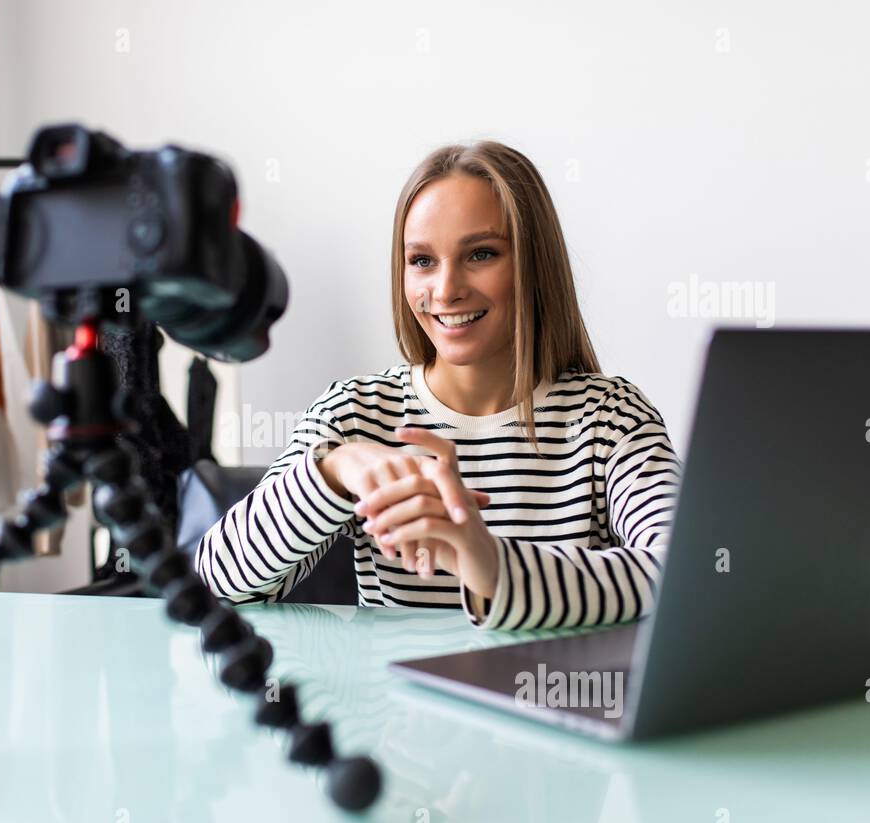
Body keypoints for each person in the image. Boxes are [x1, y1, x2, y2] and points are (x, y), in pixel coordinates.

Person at [195, 140, 682, 630]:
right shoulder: (355, 414)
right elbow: (213, 582)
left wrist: (488, 565)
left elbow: (683, 572)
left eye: (481, 254)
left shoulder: (610, 419)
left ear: (534, 266)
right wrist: (334, 470)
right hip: (395, 708)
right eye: (423, 261)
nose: (446, 291)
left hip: (553, 701)